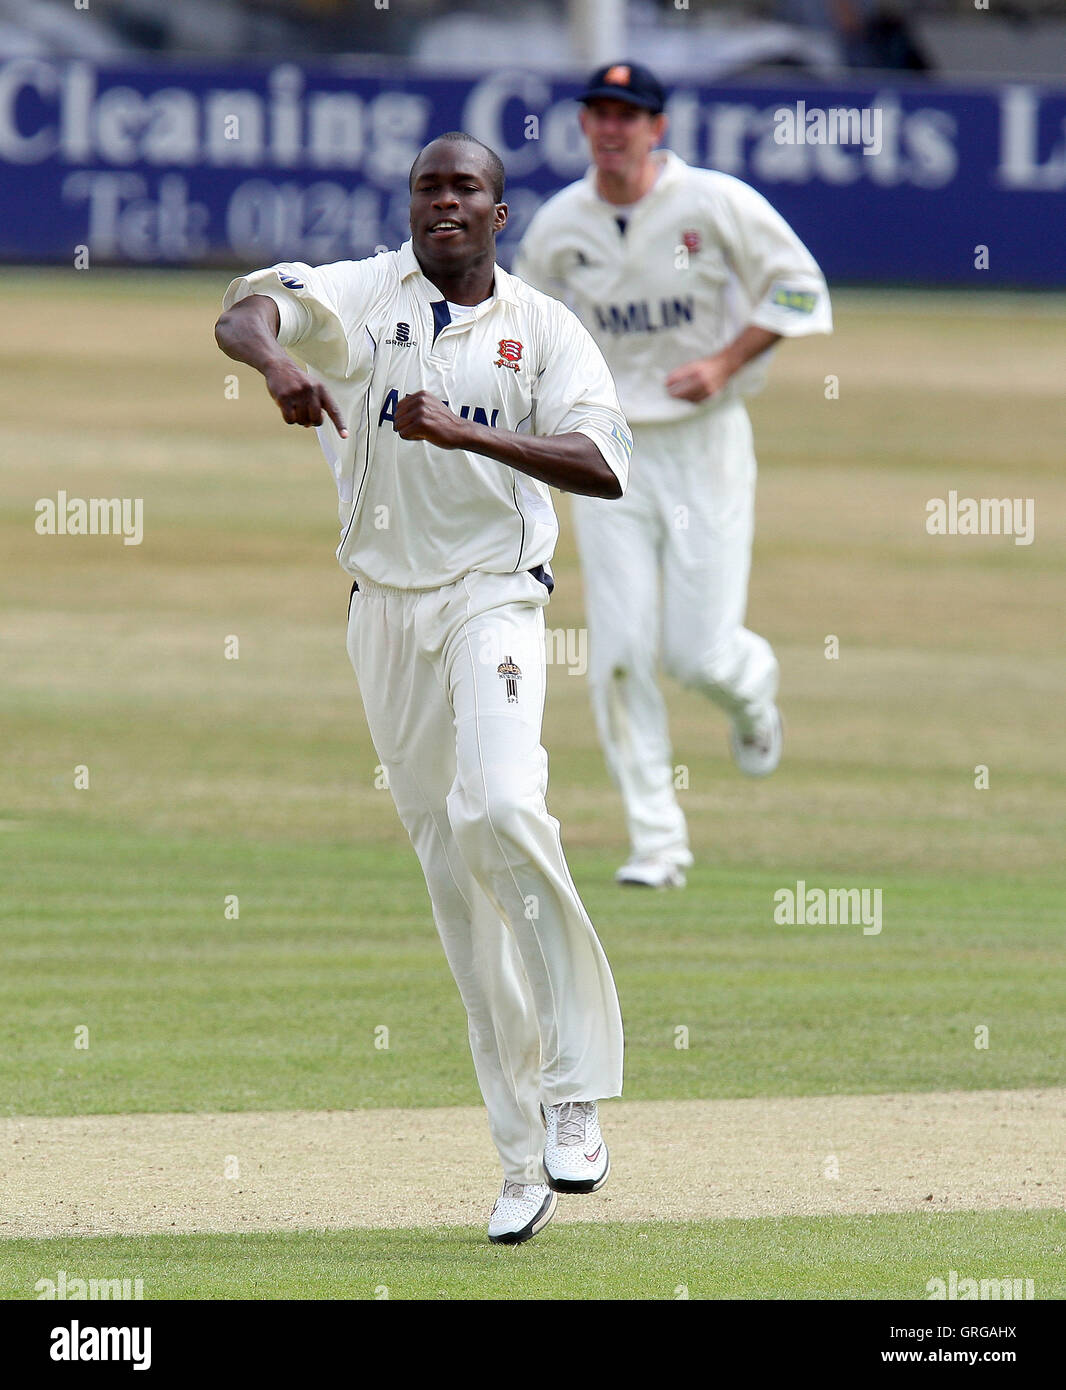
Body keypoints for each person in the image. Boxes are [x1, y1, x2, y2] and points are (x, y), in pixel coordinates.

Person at [214, 132, 632, 1245]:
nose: (443, 203)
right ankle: (515, 1160)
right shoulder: (360, 295)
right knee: (457, 889)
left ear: (501, 213)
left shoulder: (543, 329)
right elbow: (241, 313)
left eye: (466, 189)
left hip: (493, 595)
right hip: (383, 611)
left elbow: (604, 464)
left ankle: (575, 1086)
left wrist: (467, 434)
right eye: (427, 188)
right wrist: (279, 364)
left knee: (500, 808)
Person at [514, 63, 832, 889]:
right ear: (584, 126)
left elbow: (800, 293)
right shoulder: (560, 226)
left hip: (705, 442)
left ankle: (753, 694)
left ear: (657, 127)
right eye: (599, 115)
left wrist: (725, 362)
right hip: (609, 449)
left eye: (628, 116)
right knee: (618, 652)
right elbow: (528, 333)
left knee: (697, 653)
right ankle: (657, 843)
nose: (611, 129)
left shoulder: (713, 204)